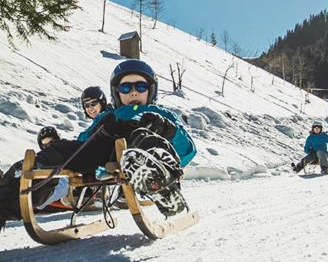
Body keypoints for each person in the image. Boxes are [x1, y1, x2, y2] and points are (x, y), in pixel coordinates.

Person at [0, 59, 197, 230]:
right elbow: (83, 143)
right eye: (126, 88)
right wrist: (98, 131)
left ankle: (163, 188)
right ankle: (7, 197)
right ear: (117, 92)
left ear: (151, 90)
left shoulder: (162, 114)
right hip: (107, 152)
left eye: (141, 87)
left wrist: (169, 130)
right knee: (59, 151)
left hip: (141, 149)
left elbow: (187, 150)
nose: (133, 92)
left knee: (142, 137)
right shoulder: (110, 115)